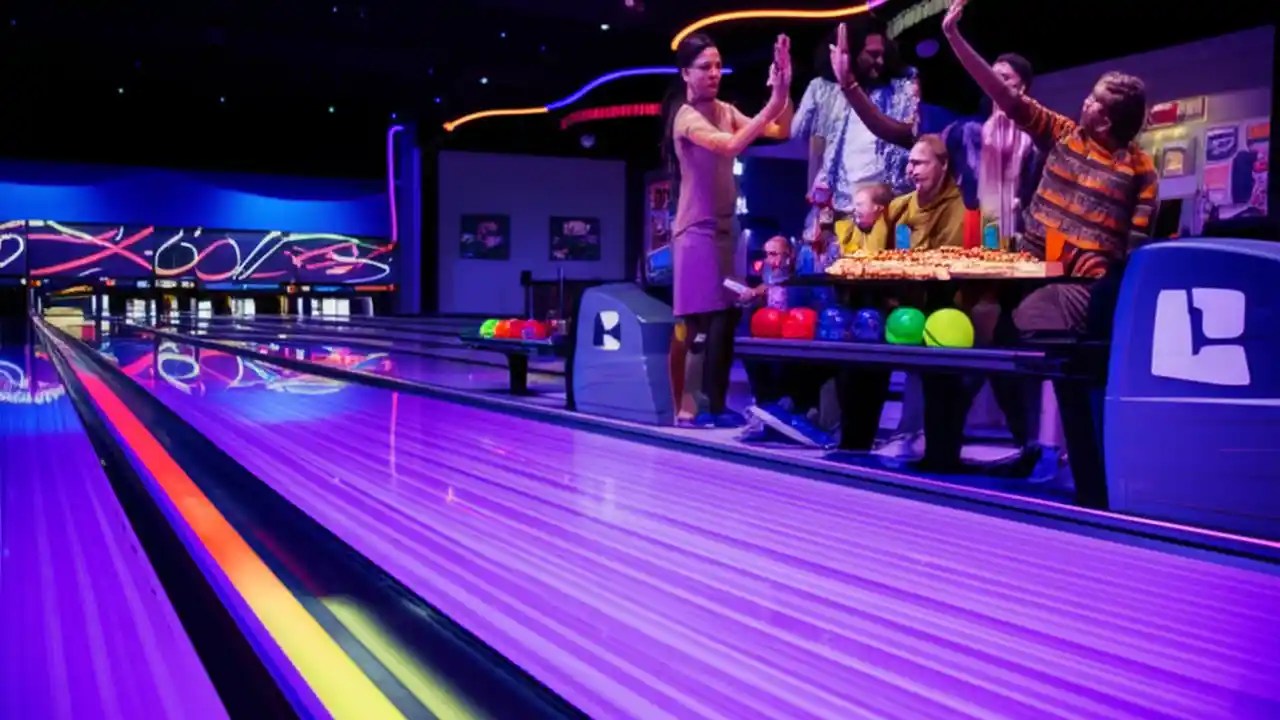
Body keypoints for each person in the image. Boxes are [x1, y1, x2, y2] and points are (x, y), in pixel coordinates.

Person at [921, 0, 1158, 473]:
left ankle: (1053, 454)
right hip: (1029, 261)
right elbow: (1007, 99)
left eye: (1093, 100)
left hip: (1080, 283)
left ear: (1106, 119)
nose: (1083, 102)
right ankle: (945, 451)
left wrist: (1106, 297)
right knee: (964, 326)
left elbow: (1132, 250)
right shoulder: (1066, 135)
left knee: (1025, 330)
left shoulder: (1140, 170)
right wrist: (954, 39)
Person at [662, 32, 794, 428]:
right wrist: (771, 104)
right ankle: (689, 407)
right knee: (698, 321)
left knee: (724, 316)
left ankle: (713, 406)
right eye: (705, 67)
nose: (714, 73)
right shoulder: (686, 117)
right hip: (695, 230)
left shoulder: (725, 108)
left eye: (718, 65)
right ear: (686, 73)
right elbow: (732, 146)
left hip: (724, 228)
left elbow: (780, 130)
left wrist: (783, 87)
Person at [885, 135, 967, 249]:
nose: (910, 170)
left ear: (943, 164)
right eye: (910, 163)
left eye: (918, 163)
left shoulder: (963, 207)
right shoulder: (899, 207)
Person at [842, 183, 893, 255]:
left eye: (860, 204)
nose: (854, 209)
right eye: (855, 205)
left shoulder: (894, 227)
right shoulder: (854, 230)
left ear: (878, 208)